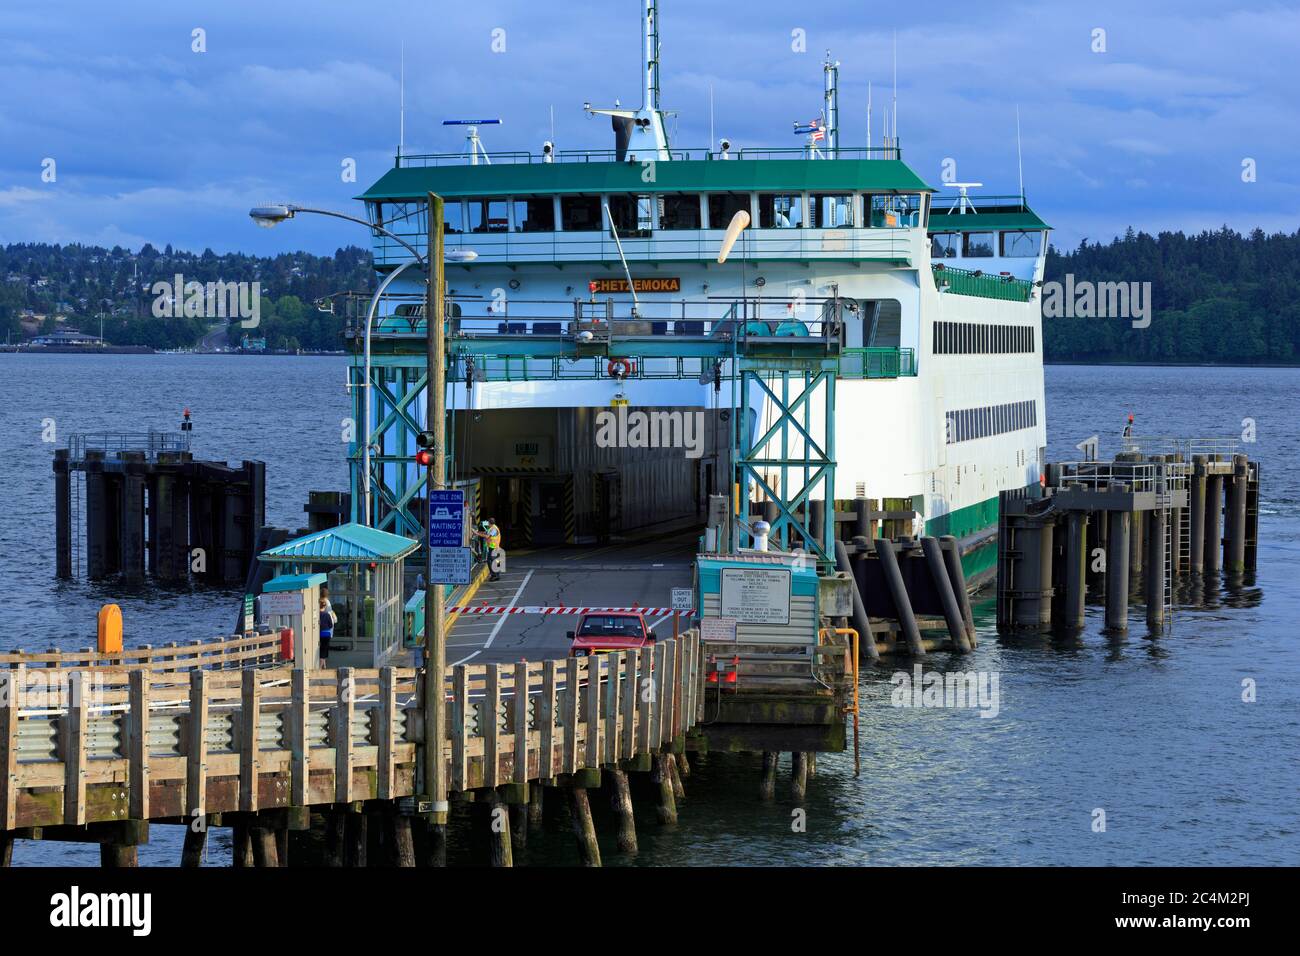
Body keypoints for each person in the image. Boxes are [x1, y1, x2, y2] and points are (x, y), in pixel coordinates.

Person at [319, 592, 337, 665]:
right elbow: (331, 625)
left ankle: (322, 663)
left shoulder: (317, 614)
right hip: (327, 634)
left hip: (319, 634)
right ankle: (323, 663)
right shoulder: (327, 614)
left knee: (320, 648)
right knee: (325, 648)